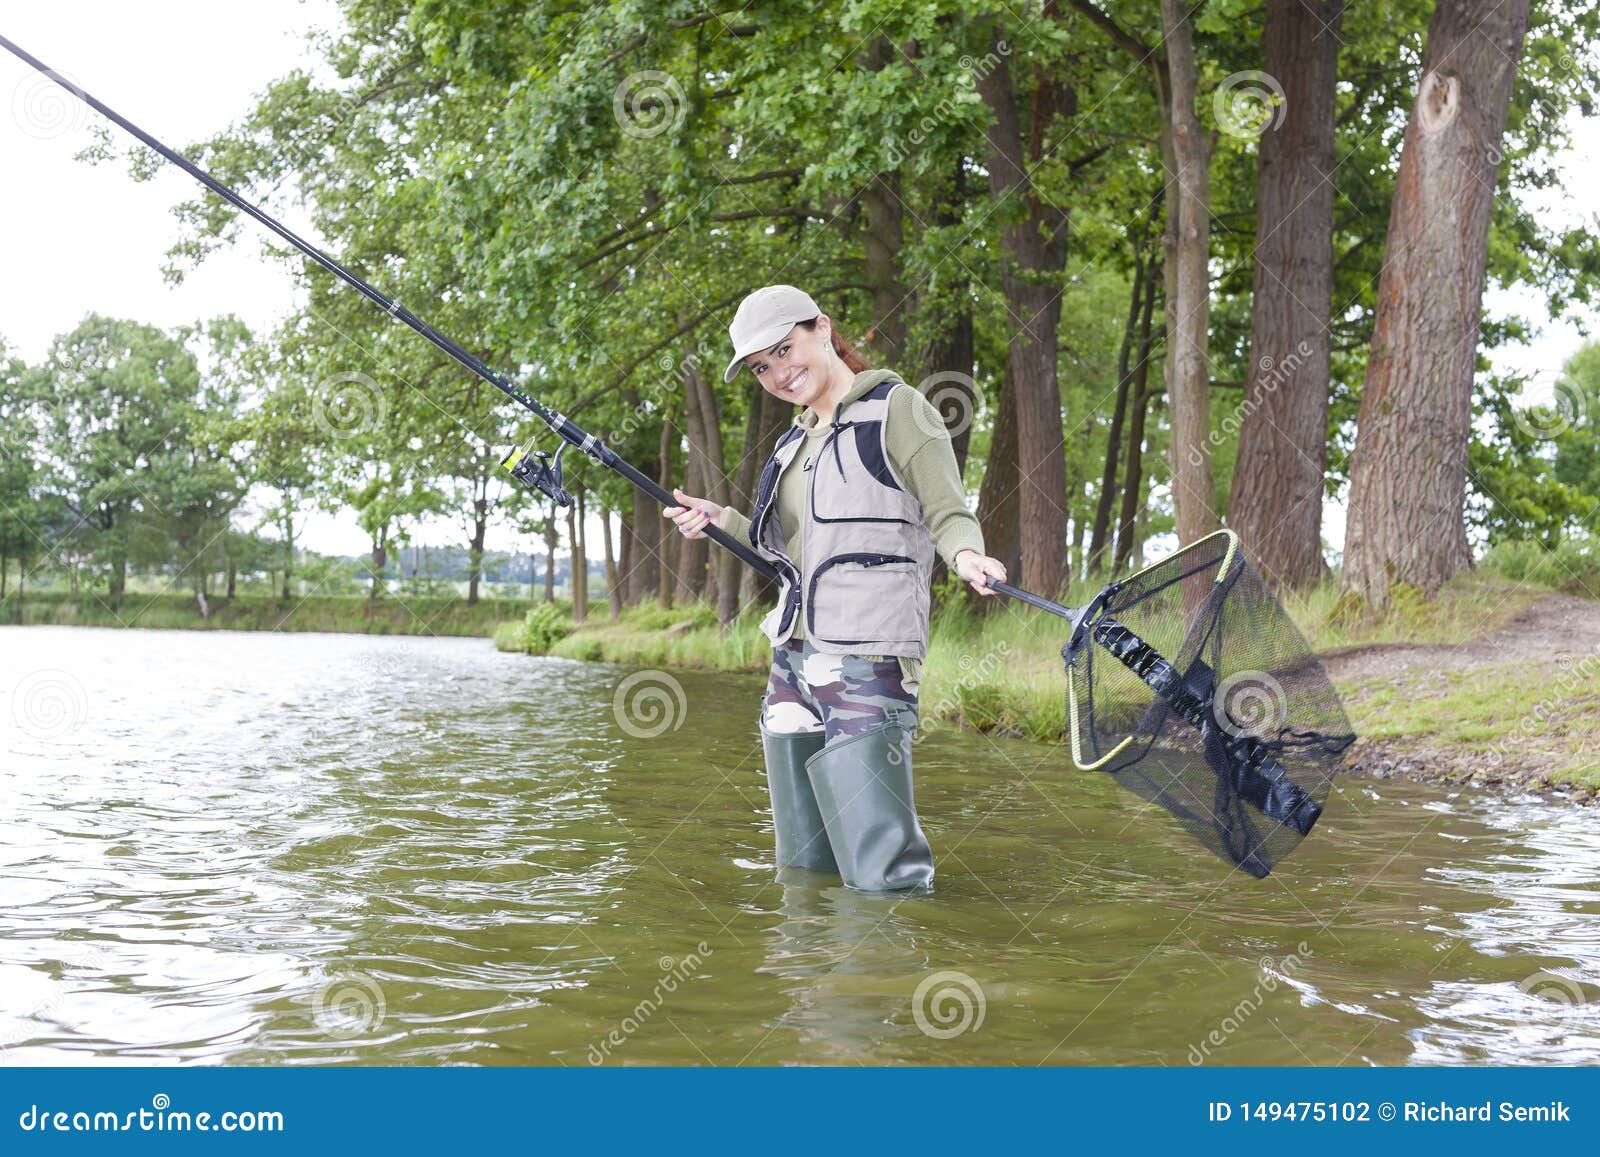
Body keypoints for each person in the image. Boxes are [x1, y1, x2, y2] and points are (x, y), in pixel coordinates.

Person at [665, 285, 1007, 892]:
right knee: (802, 861)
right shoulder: (791, 444)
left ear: (821, 328)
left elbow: (948, 510)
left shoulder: (900, 408)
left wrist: (967, 555)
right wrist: (721, 521)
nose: (777, 373)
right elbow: (784, 555)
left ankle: (885, 974)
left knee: (880, 871)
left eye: (783, 350)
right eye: (761, 367)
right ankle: (808, 976)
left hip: (870, 660)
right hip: (792, 661)